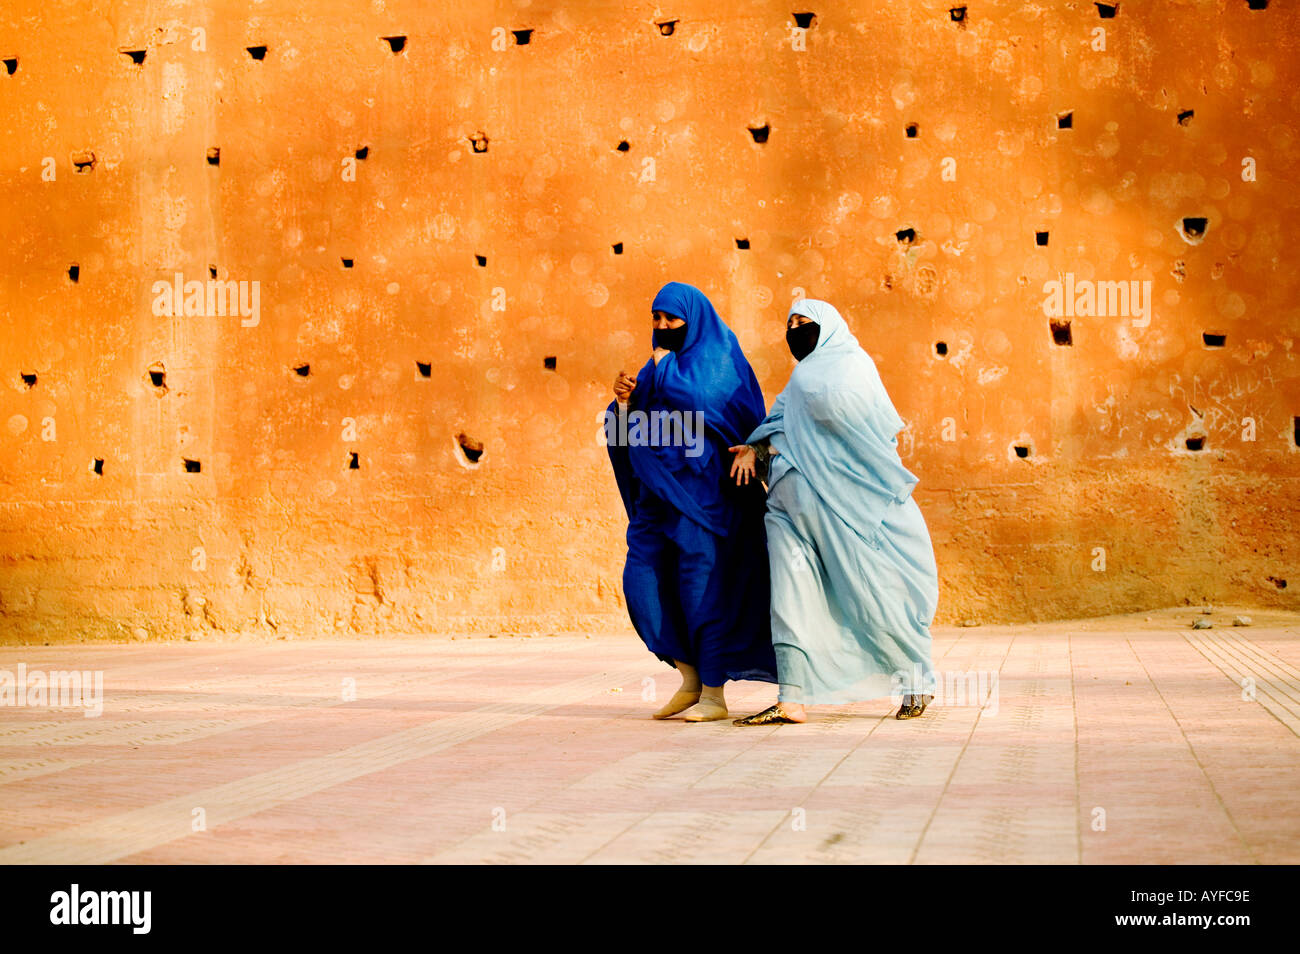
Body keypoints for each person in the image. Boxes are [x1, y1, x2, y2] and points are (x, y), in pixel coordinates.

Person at [729, 298, 939, 725]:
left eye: (805, 323)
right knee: (789, 597)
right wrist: (755, 447)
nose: (795, 329)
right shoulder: (800, 376)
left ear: (829, 328)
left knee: (864, 593)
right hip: (785, 503)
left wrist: (807, 433)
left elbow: (862, 429)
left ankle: (917, 677)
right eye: (789, 323)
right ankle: (792, 697)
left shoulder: (852, 365)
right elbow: (779, 423)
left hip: (838, 502)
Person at [605, 281, 777, 721]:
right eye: (656, 319)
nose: (662, 327)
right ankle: (690, 677)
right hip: (656, 498)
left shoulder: (719, 360)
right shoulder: (659, 366)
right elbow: (629, 429)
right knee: (641, 583)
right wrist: (625, 402)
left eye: (671, 319)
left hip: (707, 503)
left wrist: (658, 376)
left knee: (702, 591)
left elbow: (704, 403)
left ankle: (715, 695)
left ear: (692, 319)